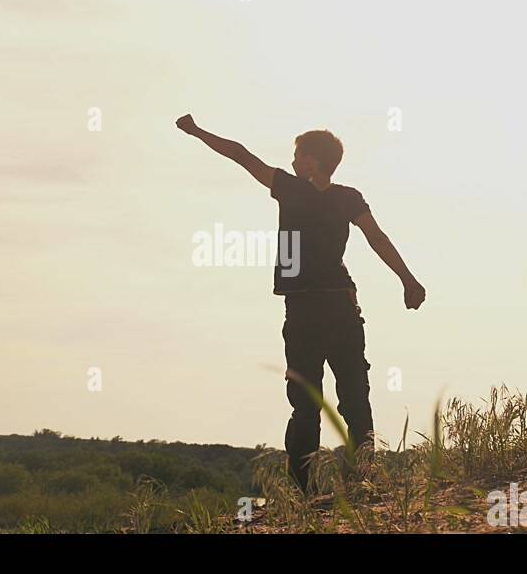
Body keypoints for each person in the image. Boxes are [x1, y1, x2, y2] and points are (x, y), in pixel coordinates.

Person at [176, 114, 426, 493]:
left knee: (334, 399)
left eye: (298, 156)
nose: (293, 162)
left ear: (312, 160)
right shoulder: (327, 194)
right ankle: (318, 487)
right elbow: (241, 155)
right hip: (329, 306)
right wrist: (407, 281)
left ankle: (342, 485)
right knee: (333, 400)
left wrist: (408, 278)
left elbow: (243, 156)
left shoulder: (313, 192)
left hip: (318, 309)